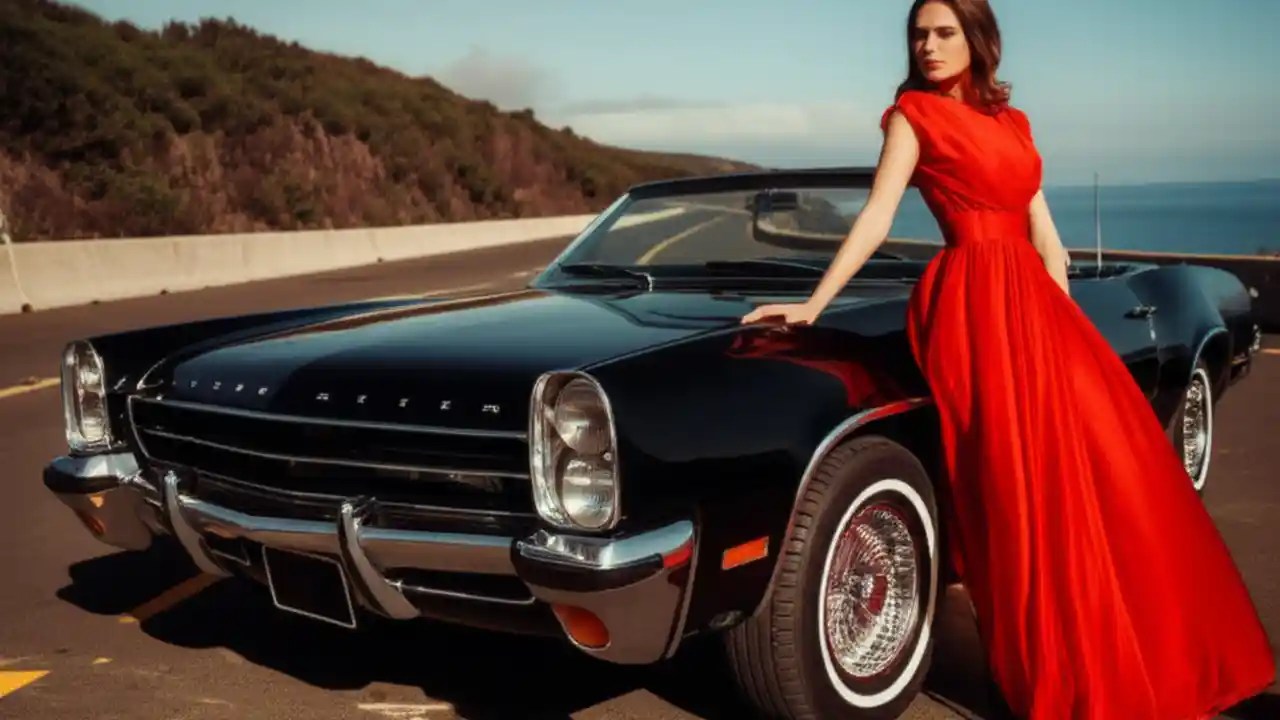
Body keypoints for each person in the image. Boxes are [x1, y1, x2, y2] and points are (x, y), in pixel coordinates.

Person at [741, 0, 1275, 717]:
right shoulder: (912, 116)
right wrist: (814, 304)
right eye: (918, 35)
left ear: (978, 39)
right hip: (971, 304)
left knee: (1105, 470)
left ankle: (1135, 648)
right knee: (1016, 481)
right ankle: (1049, 660)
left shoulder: (1013, 124)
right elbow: (876, 213)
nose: (928, 47)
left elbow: (1046, 237)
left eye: (944, 33)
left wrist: (1063, 328)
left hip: (1035, 306)